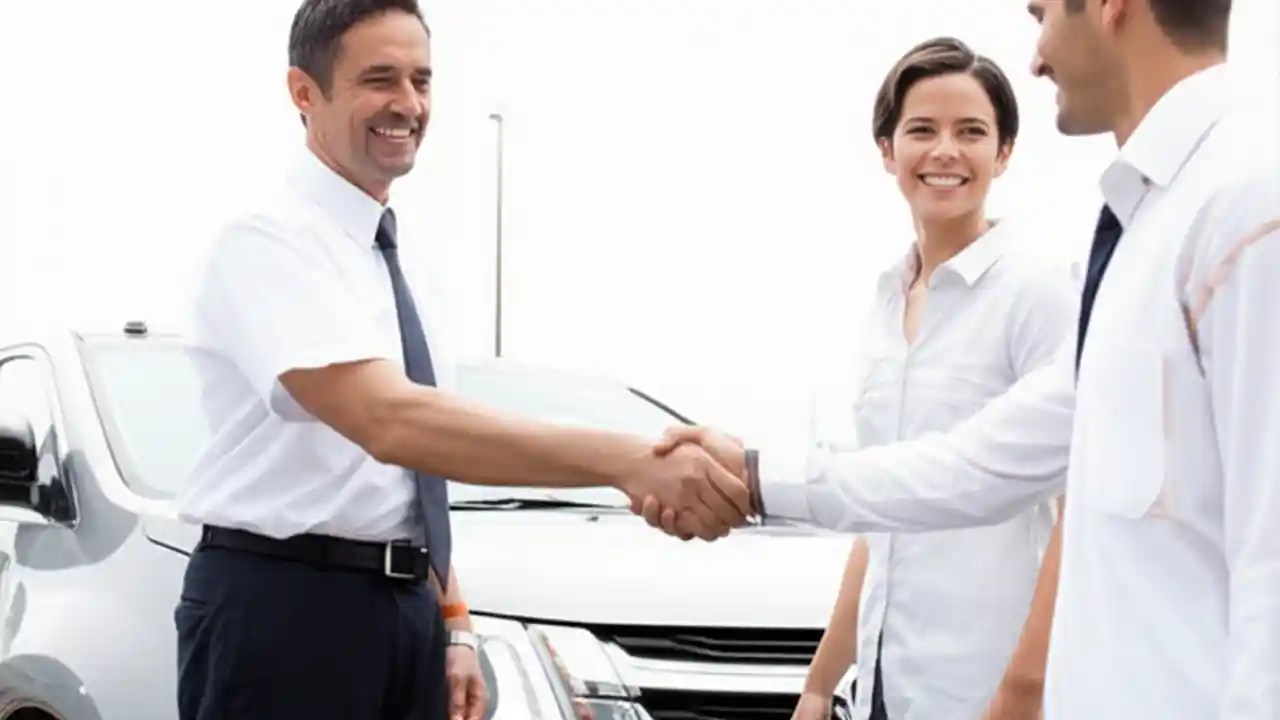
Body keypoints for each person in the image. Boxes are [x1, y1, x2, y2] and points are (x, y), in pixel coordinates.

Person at [651, 0, 1279, 717]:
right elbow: (968, 466)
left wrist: (1018, 691)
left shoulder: (1249, 202)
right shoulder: (1150, 229)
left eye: (1042, 14)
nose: (1037, 56)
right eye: (920, 129)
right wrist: (754, 477)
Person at [175, 1, 749, 719]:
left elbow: (419, 474)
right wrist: (629, 461)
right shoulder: (265, 245)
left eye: (422, 80)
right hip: (288, 611)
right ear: (303, 92)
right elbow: (393, 422)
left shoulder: (407, 260)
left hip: (406, 610)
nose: (408, 104)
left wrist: (453, 620)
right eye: (379, 80)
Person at [786, 37, 1074, 720]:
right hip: (885, 688)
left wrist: (1023, 692)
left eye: (971, 132)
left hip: (988, 689)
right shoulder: (887, 301)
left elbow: (1082, 508)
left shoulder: (1038, 296)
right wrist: (821, 683)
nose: (945, 150)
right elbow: (880, 509)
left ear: (1003, 154)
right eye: (922, 130)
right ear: (887, 150)